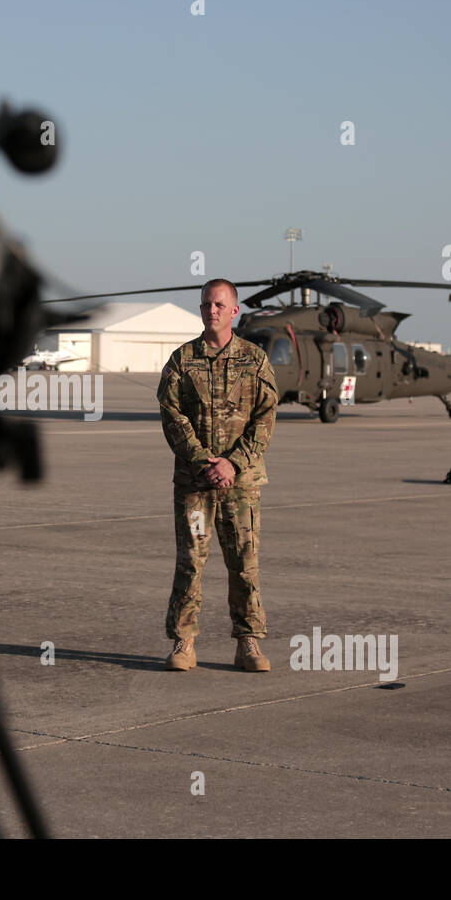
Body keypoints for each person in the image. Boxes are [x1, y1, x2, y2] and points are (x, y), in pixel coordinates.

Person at [157, 278, 278, 672]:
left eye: (220, 304)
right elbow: (172, 416)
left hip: (241, 487)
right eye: (207, 303)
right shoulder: (182, 359)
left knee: (244, 561)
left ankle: (249, 643)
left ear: (234, 311)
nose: (212, 310)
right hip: (195, 486)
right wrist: (204, 461)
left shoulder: (255, 360)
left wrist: (233, 463)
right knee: (191, 560)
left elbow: (265, 417)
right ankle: (183, 642)